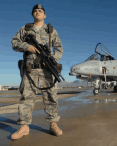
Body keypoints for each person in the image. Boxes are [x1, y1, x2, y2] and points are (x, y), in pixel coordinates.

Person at [11, 4, 63, 140]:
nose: (37, 12)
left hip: (47, 70)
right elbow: (14, 42)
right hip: (30, 70)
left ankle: (53, 124)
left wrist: (52, 60)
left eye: (40, 11)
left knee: (51, 97)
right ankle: (24, 127)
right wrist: (27, 46)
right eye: (35, 11)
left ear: (44, 15)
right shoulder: (26, 29)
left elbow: (59, 49)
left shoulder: (50, 30)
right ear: (32, 14)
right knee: (27, 98)